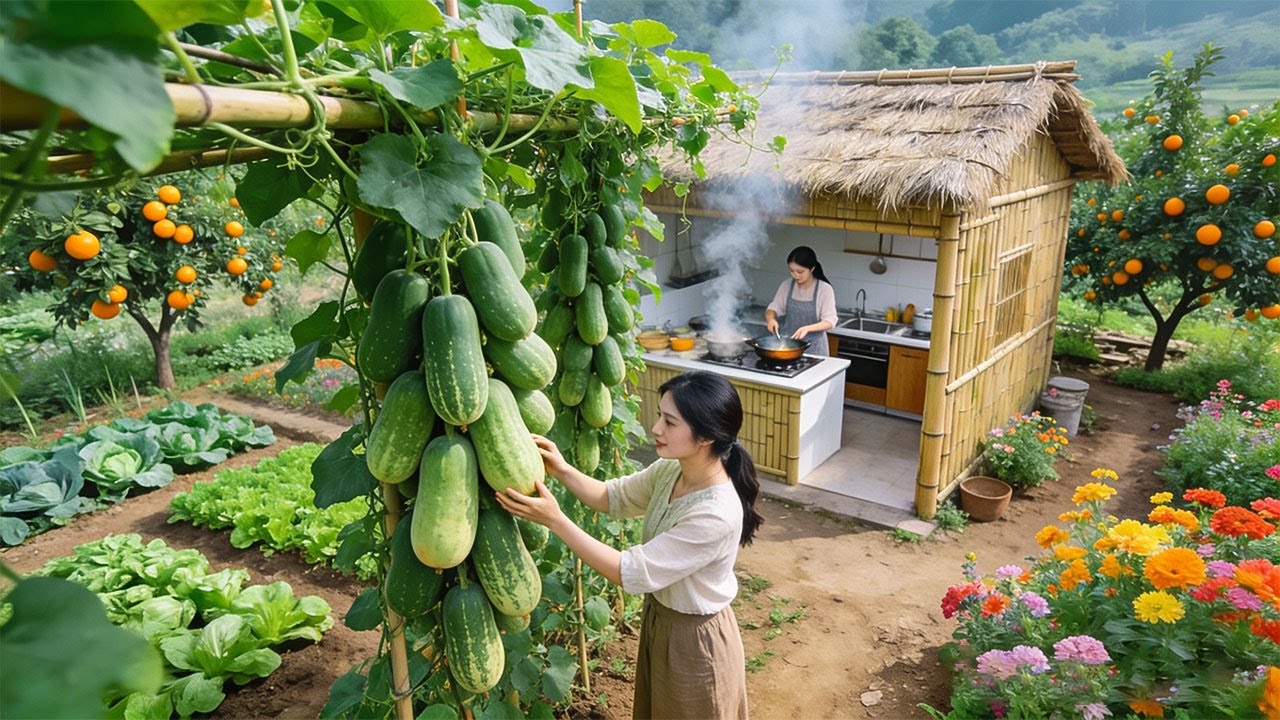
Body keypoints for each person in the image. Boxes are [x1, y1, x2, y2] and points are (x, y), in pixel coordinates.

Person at [496, 371, 763, 720]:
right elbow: (613, 497)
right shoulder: (672, 470)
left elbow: (630, 572)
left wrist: (556, 521)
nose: (656, 428)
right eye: (660, 416)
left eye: (670, 422)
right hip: (661, 624)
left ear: (706, 437)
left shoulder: (715, 514)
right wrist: (561, 469)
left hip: (695, 643)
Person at [763, 245, 837, 356]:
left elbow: (830, 321)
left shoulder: (824, 289)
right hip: (788, 348)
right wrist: (771, 319)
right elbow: (773, 308)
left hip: (815, 350)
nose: (795, 275)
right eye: (792, 271)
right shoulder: (786, 285)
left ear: (812, 269)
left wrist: (807, 328)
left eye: (800, 271)